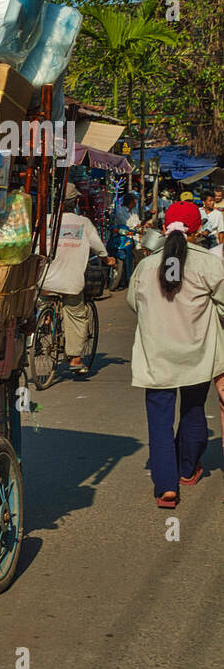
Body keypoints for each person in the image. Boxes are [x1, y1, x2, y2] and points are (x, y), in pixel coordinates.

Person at [127, 201, 224, 508]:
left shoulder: (146, 265)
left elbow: (134, 303)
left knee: (159, 421)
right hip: (196, 354)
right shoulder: (209, 263)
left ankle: (166, 487)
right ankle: (187, 470)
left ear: (164, 227)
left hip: (156, 355)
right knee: (194, 409)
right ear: (196, 231)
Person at [42, 183, 116, 375]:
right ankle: (75, 358)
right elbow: (99, 248)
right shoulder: (83, 223)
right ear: (74, 202)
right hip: (70, 282)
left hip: (45, 281)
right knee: (76, 315)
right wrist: (107, 259)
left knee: (43, 299)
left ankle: (45, 318)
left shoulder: (47, 220)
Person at [111, 193, 141, 288]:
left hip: (135, 238)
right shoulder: (120, 210)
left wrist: (139, 227)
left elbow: (137, 223)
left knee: (139, 256)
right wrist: (133, 228)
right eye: (135, 200)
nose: (136, 202)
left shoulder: (135, 211)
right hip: (122, 237)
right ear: (130, 202)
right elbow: (125, 223)